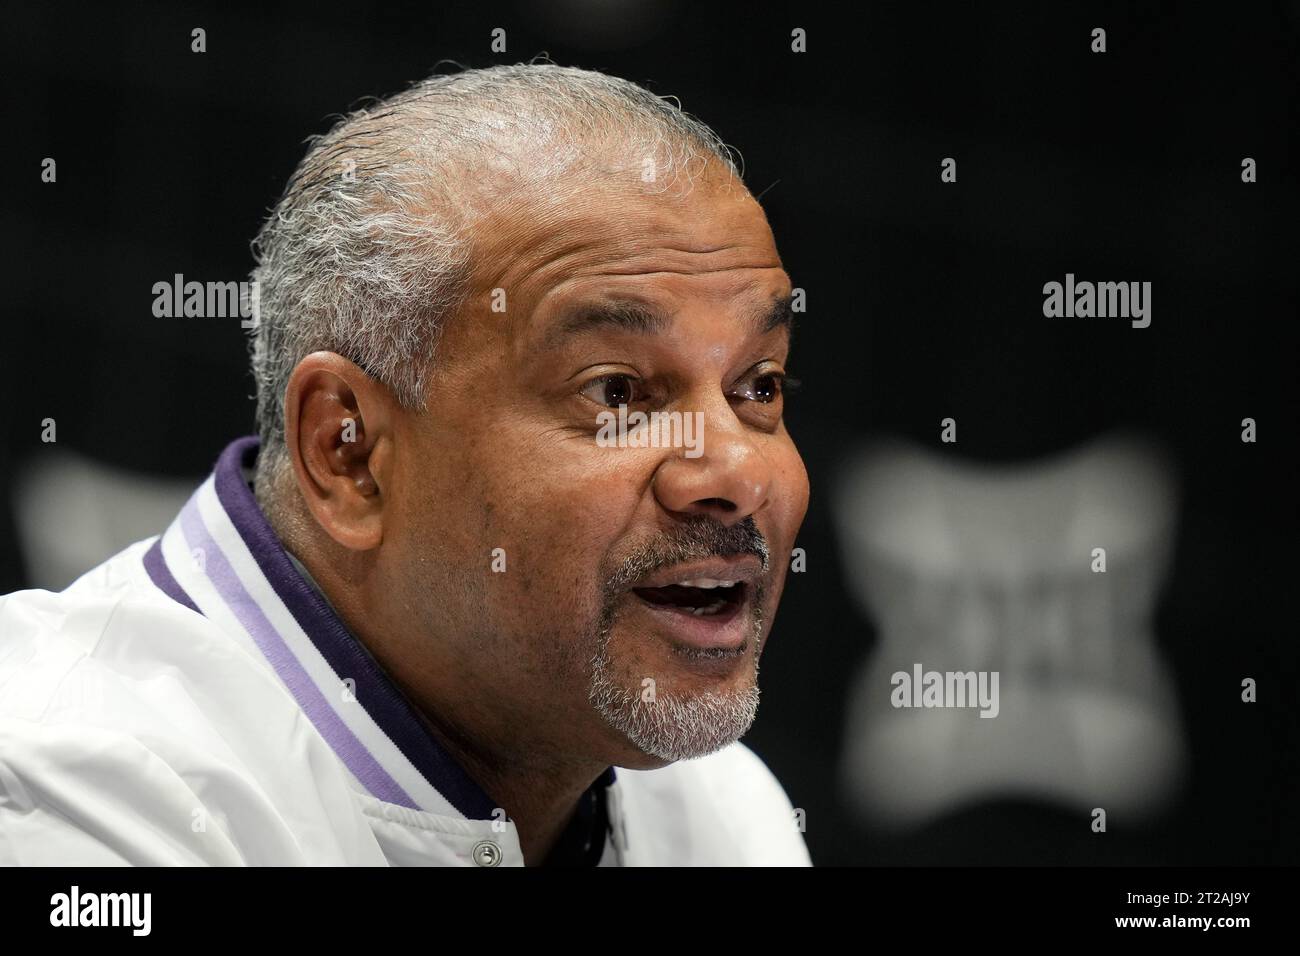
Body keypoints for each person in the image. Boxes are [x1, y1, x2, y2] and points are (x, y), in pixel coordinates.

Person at [0, 63, 811, 866]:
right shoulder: (67, 798)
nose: (737, 472)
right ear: (347, 453)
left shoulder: (724, 815)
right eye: (617, 391)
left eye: (758, 385)